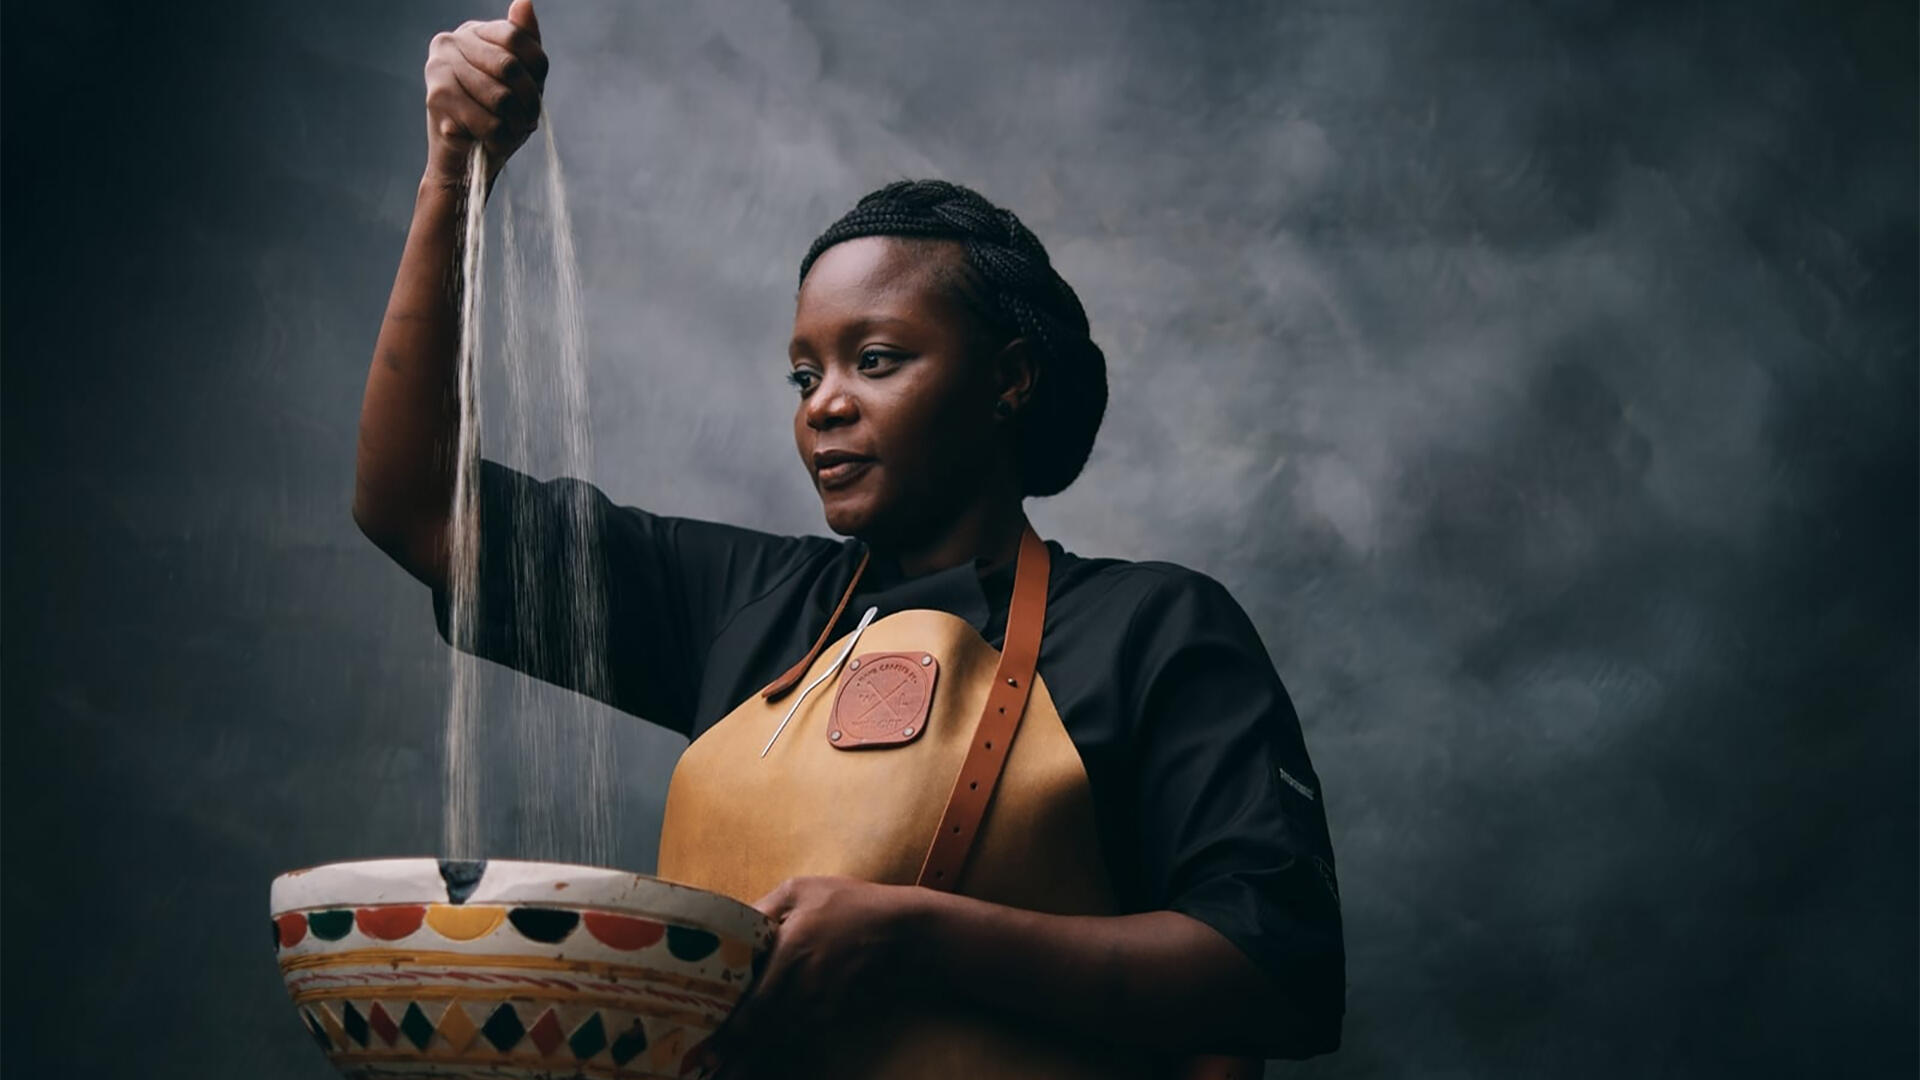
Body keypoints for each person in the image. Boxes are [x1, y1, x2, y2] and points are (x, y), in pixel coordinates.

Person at [353, 2, 1344, 1076]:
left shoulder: (1152, 629)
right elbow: (417, 507)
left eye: (875, 359)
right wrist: (454, 174)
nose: (824, 403)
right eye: (804, 374)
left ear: (1009, 380)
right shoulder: (742, 604)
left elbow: (1277, 975)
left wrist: (920, 940)